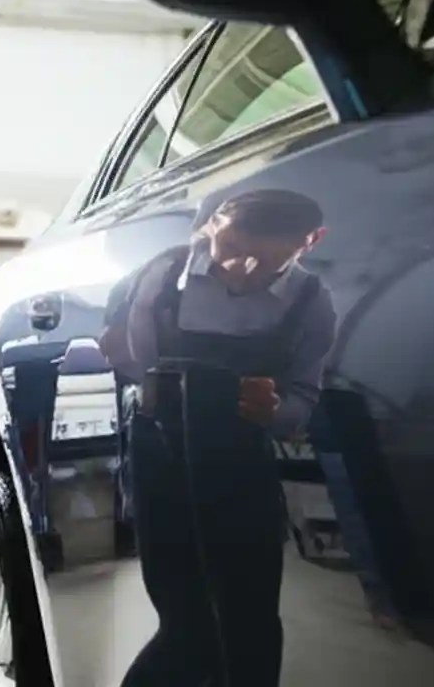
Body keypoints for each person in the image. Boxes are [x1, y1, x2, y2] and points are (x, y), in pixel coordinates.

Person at [101, 188, 337, 686]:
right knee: (185, 620)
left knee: (249, 620)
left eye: (266, 260)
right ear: (212, 226)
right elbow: (129, 363)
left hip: (239, 460)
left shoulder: (311, 303)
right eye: (230, 249)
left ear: (310, 242)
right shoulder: (163, 276)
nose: (242, 269)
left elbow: (304, 398)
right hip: (161, 454)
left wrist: (276, 410)